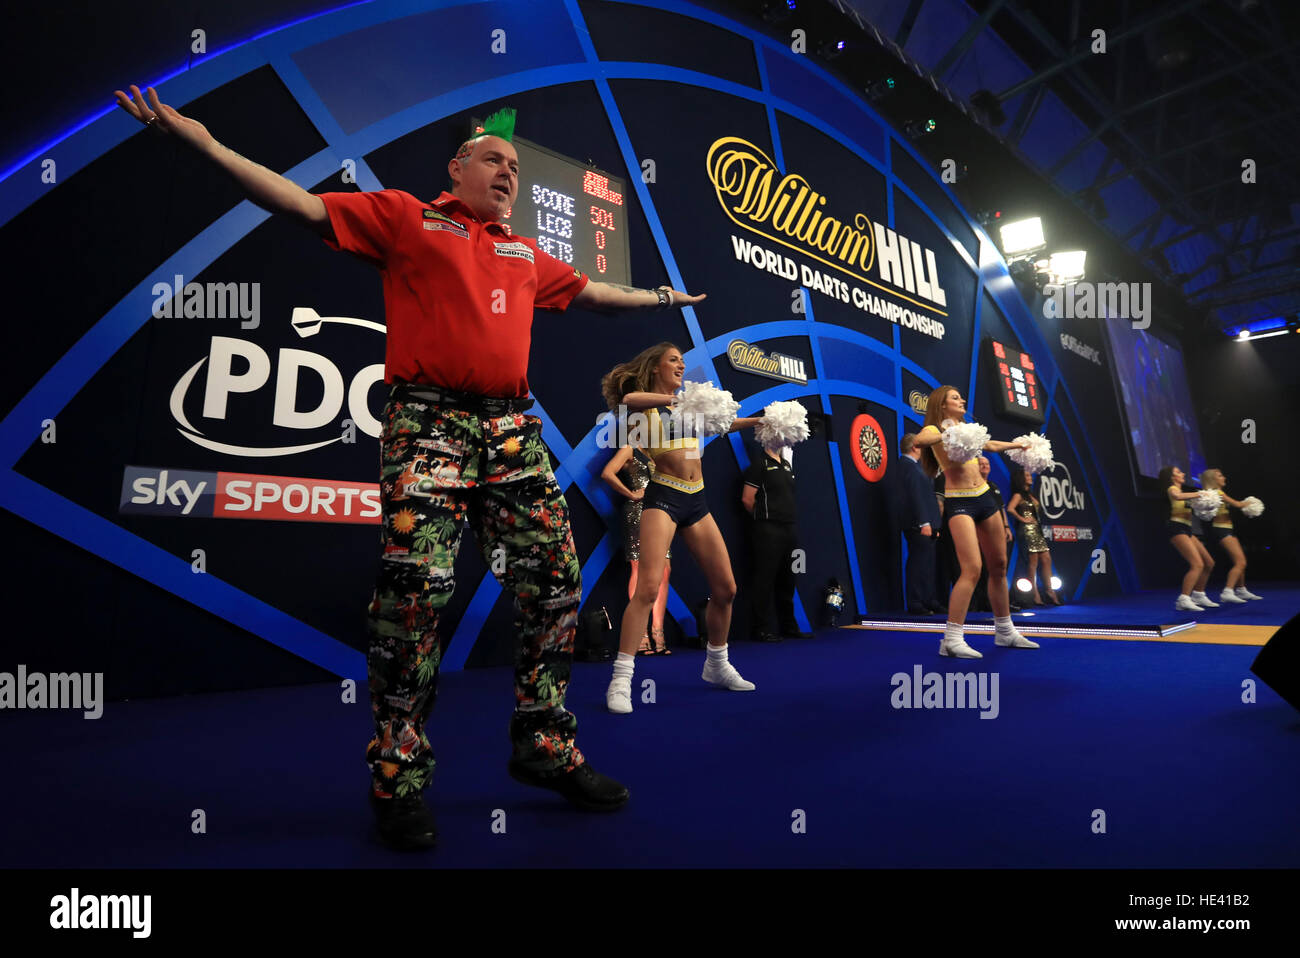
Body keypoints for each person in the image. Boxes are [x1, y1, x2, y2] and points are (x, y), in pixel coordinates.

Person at [114, 87, 710, 849]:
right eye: (494, 160)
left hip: (510, 428)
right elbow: (300, 204)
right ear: (456, 168)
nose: (508, 175)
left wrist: (661, 295)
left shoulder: (524, 254)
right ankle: (397, 775)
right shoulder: (404, 215)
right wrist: (204, 143)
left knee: (557, 584)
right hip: (427, 421)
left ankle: (545, 747)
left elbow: (596, 292)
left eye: (517, 171)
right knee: (416, 593)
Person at [599, 343, 762, 712]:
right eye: (673, 359)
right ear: (656, 366)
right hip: (664, 497)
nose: (681, 365)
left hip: (697, 499)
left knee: (726, 589)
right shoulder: (642, 405)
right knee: (648, 588)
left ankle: (716, 665)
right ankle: (621, 680)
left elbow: (722, 424)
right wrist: (673, 401)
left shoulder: (688, 405)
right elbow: (630, 395)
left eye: (682, 361)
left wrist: (758, 421)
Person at [912, 386, 1038, 657]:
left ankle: (1005, 632)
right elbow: (920, 440)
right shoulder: (936, 430)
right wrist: (939, 434)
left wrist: (1018, 444)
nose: (963, 400)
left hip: (984, 499)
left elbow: (990, 445)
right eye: (956, 398)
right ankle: (951, 639)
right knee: (972, 569)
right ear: (942, 405)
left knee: (999, 566)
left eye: (961, 397)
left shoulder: (968, 428)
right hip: (960, 502)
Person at [601, 445, 673, 653]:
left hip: (660, 512)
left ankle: (658, 632)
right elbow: (607, 473)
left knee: (665, 571)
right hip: (637, 513)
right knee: (639, 570)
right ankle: (640, 636)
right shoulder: (629, 449)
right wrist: (631, 494)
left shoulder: (658, 450)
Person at [742, 441, 813, 641]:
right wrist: (764, 518)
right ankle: (761, 628)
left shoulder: (787, 464)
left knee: (789, 579)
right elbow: (747, 499)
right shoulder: (759, 464)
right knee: (764, 579)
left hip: (789, 528)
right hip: (767, 529)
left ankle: (789, 626)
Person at [1157, 465, 1218, 611]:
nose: (1183, 473)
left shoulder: (1183, 492)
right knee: (1197, 564)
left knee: (1209, 563)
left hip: (1187, 529)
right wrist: (1200, 494)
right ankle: (1183, 599)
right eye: (1178, 472)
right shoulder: (1173, 489)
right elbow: (1177, 496)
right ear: (1172, 477)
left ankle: (1198, 594)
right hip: (1176, 528)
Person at [1199, 468, 1263, 603]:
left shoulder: (1217, 493)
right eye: (1220, 475)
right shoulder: (1218, 492)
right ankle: (1227, 591)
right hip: (1222, 530)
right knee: (1241, 562)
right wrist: (1253, 503)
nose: (1224, 477)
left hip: (1226, 529)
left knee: (1239, 561)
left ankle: (1241, 590)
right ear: (1213, 479)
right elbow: (1237, 504)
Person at [898, 433, 943, 615]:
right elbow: (915, 497)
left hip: (927, 525)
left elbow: (925, 497)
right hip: (918, 525)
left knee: (928, 564)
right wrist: (924, 523)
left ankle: (929, 600)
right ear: (915, 447)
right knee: (918, 564)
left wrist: (934, 524)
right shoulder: (907, 466)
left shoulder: (917, 467)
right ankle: (916, 602)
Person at [969, 457, 1021, 613]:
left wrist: (1006, 526)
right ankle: (984, 603)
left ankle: (1001, 603)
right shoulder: (972, 486)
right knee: (982, 568)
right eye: (981, 464)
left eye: (987, 464)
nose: (984, 466)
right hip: (979, 532)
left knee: (998, 567)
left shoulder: (993, 486)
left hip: (997, 531)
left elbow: (1001, 508)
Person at [1006, 470, 1061, 606]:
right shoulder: (1018, 495)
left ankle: (1049, 591)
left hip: (1037, 530)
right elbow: (1010, 509)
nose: (1030, 477)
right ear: (1020, 479)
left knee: (1046, 559)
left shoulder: (1030, 494)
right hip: (1027, 531)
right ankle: (1035, 594)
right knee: (1033, 562)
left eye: (1030, 475)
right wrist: (1022, 519)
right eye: (1027, 475)